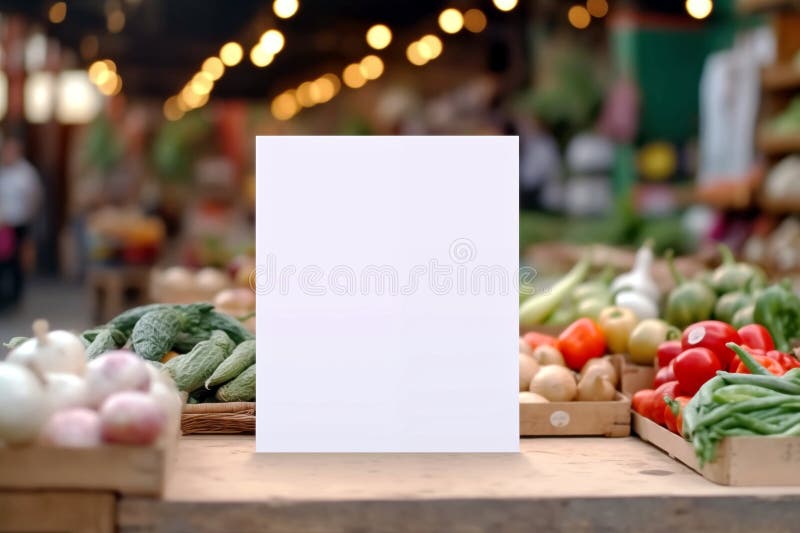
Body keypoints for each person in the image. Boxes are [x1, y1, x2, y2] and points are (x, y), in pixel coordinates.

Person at [0, 136, 43, 308]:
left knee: (18, 261)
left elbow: (35, 196)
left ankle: (15, 296)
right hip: (5, 223)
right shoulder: (3, 171)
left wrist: (30, 215)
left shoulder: (26, 172)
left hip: (21, 222)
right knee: (4, 261)